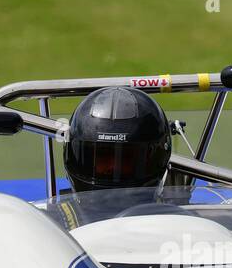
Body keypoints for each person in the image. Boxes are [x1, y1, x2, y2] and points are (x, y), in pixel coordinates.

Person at [53, 86, 173, 228]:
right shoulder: (50, 227)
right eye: (102, 157)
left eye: (126, 158)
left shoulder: (178, 223)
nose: (112, 167)